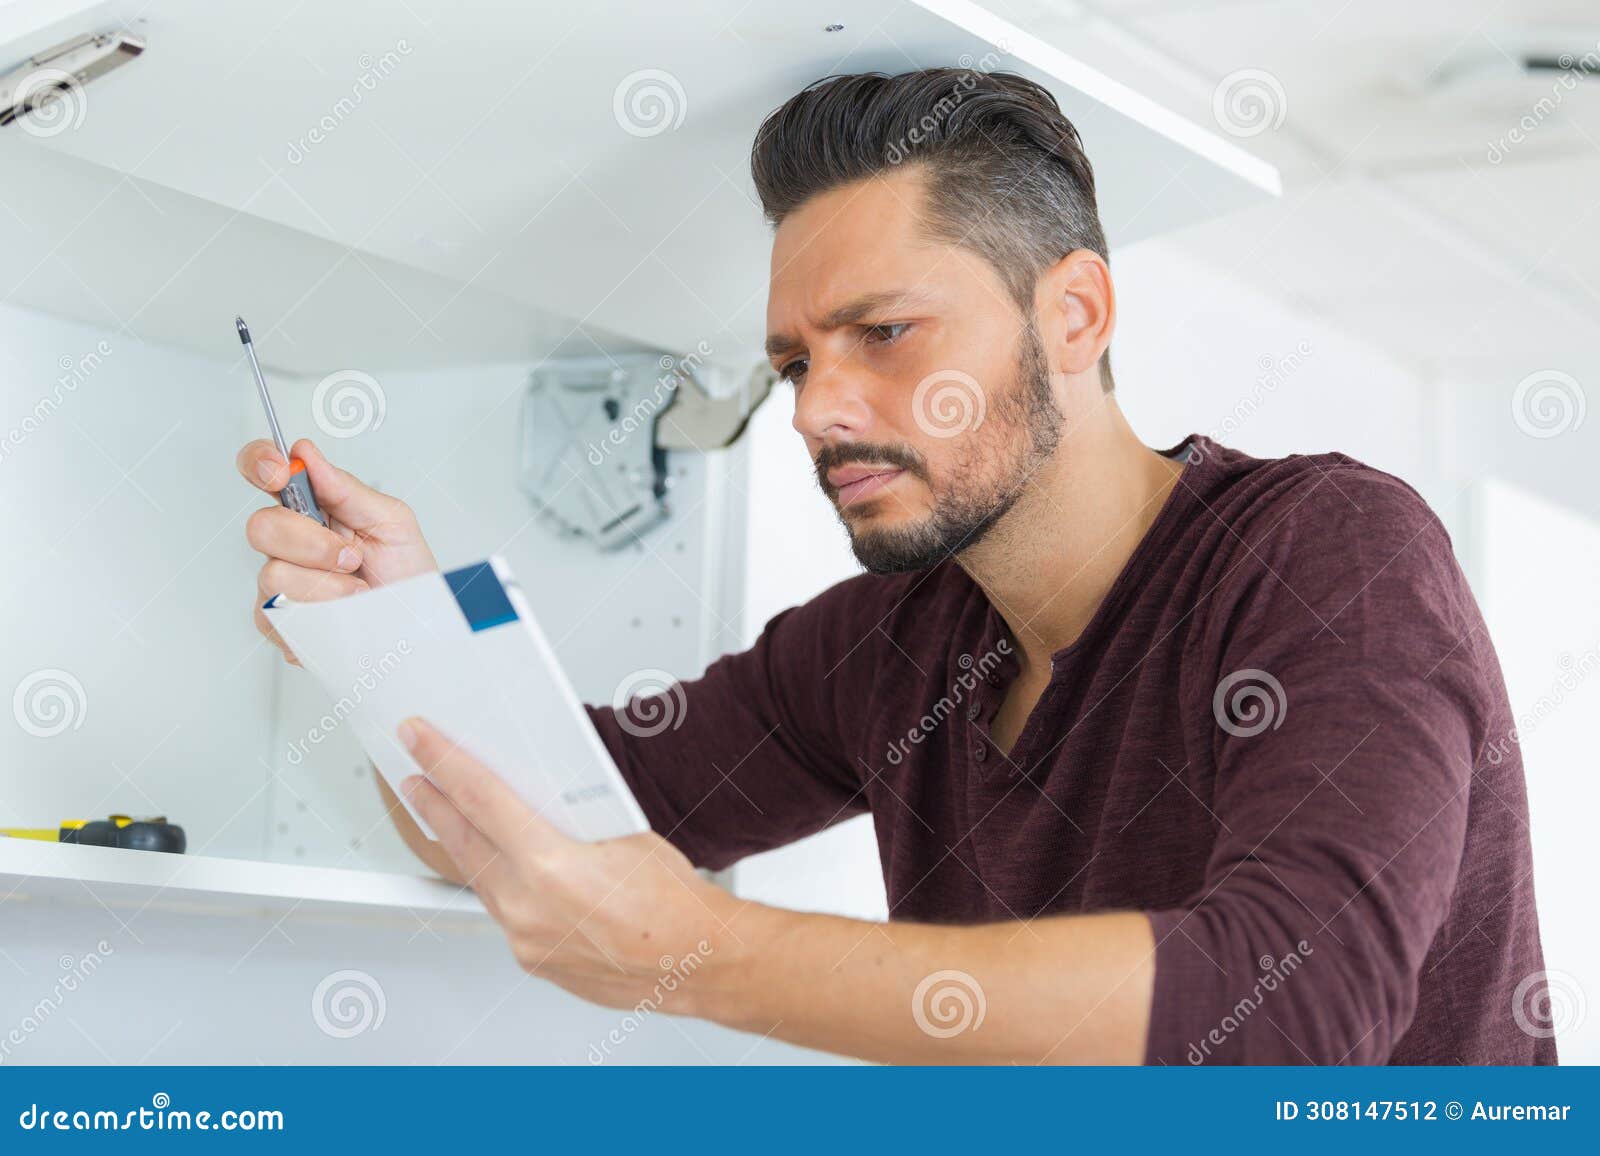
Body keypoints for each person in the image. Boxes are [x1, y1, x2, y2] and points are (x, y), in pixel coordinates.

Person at [237, 70, 1551, 1064]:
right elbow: (545, 829)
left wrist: (696, 953)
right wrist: (404, 635)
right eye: (799, 363)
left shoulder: (1327, 555)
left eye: (884, 333)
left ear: (1074, 313)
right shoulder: (885, 649)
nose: (816, 410)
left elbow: (1292, 1007)